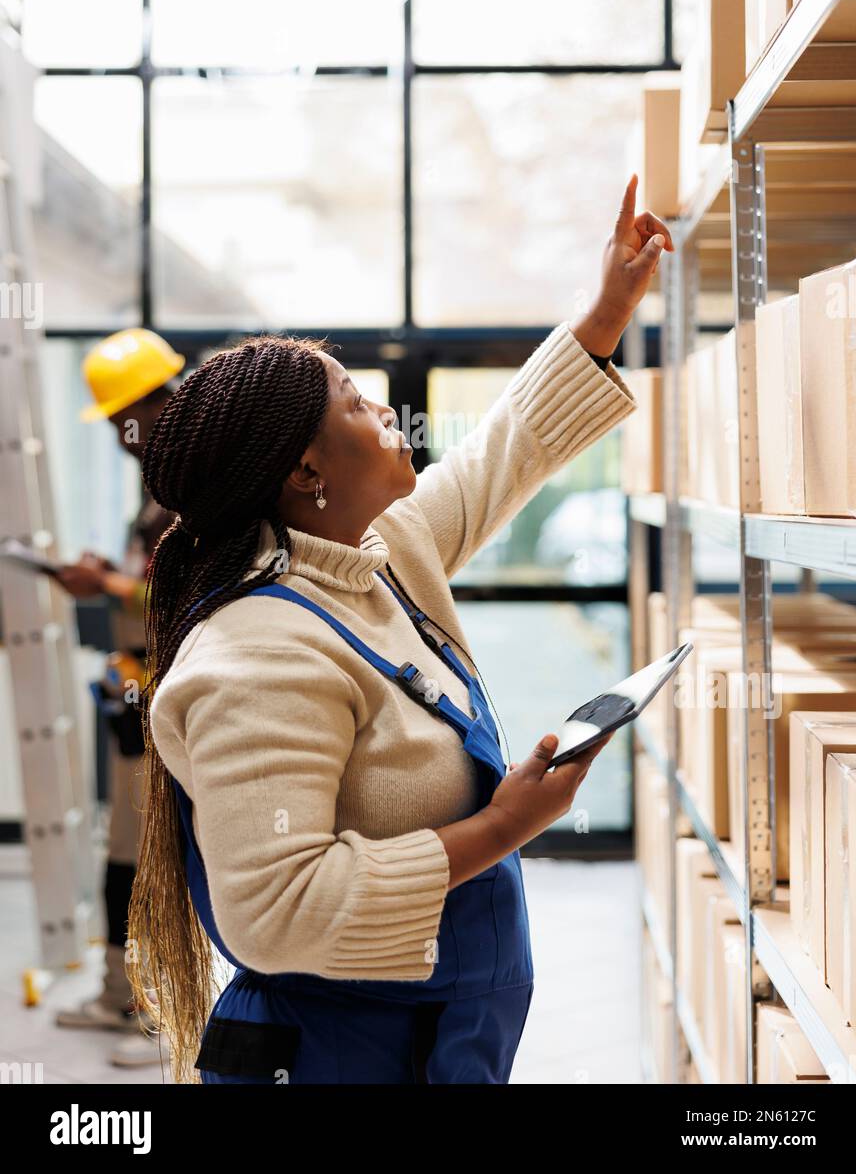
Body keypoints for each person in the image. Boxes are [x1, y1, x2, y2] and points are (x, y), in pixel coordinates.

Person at [128, 174, 674, 1084]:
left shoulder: (377, 555)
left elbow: (511, 447)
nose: (388, 410)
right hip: (333, 1055)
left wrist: (610, 303)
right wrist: (505, 825)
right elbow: (276, 910)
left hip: (431, 1040)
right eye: (356, 402)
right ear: (306, 468)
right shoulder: (253, 658)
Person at [52, 328, 184, 1068]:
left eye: (116, 419)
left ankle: (160, 1011)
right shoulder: (158, 479)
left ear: (152, 404)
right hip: (135, 684)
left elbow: (181, 590)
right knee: (123, 851)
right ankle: (119, 992)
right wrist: (111, 575)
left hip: (168, 692)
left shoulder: (194, 480)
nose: (112, 434)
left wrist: (103, 584)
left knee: (157, 854)